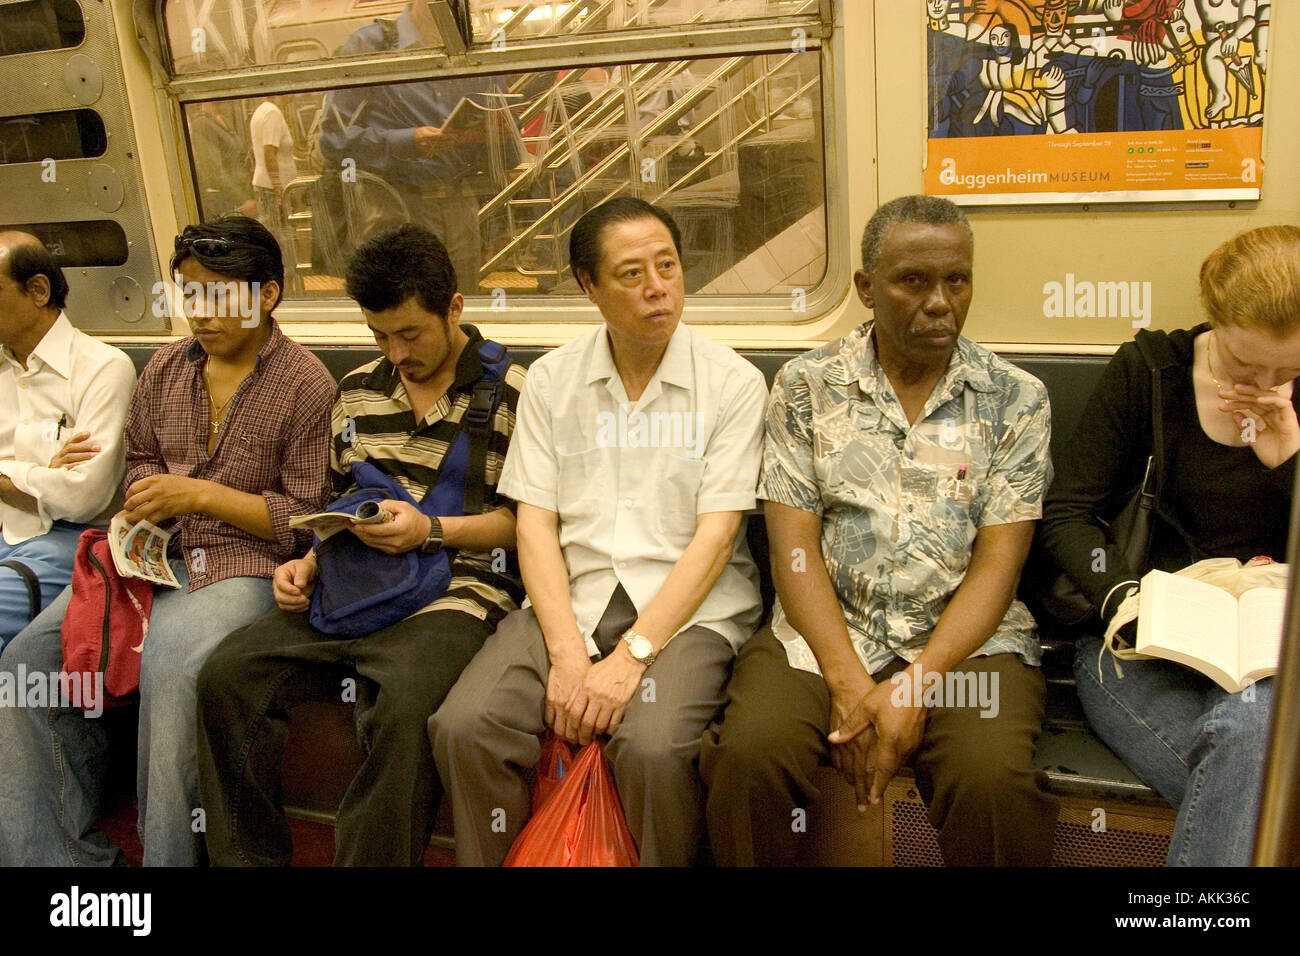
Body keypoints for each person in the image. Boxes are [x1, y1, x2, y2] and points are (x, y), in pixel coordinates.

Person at [699, 195, 1058, 866]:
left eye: (957, 280)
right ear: (866, 288)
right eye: (913, 282)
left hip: (966, 643)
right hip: (827, 629)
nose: (940, 302)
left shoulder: (1015, 398)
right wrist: (847, 682)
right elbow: (795, 548)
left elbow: (997, 567)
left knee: (993, 783)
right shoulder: (808, 386)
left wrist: (917, 685)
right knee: (748, 757)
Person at [430, 197, 767, 866]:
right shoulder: (554, 380)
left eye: (667, 266)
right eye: (632, 273)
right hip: (572, 598)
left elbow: (716, 540)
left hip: (688, 612)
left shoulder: (732, 384)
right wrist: (566, 655)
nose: (657, 288)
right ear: (589, 286)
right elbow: (536, 522)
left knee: (652, 746)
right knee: (464, 727)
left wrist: (630, 659)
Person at [0, 216, 336, 866]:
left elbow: (309, 518)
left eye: (217, 296)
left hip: (247, 566)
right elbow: (142, 460)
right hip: (152, 556)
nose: (199, 314)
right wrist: (151, 496)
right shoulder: (163, 369)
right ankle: (66, 863)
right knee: (21, 668)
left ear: (268, 294)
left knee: (173, 667)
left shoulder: (306, 385)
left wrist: (201, 495)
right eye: (188, 295)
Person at [195, 225, 526, 866]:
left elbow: (525, 525)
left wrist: (429, 529)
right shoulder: (357, 392)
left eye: (411, 334)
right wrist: (307, 561)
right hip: (355, 580)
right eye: (379, 335)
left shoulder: (513, 391)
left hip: (462, 586)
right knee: (226, 677)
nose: (396, 353)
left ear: (454, 309)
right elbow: (342, 503)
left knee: (403, 707)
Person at [1038, 224, 1300, 866]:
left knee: (1250, 721)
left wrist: (1290, 461)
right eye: (1245, 365)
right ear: (1215, 323)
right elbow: (1070, 513)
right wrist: (1125, 596)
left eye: (1289, 370)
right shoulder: (1152, 372)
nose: (1267, 385)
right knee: (1256, 764)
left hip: (1274, 649)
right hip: (1140, 641)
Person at [0, 233, 135, 648]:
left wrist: (14, 475)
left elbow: (82, 498)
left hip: (67, 538)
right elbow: (57, 486)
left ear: (38, 290)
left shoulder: (102, 368)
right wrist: (40, 473)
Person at [318, 2, 509, 287]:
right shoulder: (372, 45)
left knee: (464, 298)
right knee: (406, 303)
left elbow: (501, 145)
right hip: (397, 203)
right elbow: (333, 140)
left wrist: (493, 134)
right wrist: (408, 142)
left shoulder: (468, 48)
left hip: (460, 202)